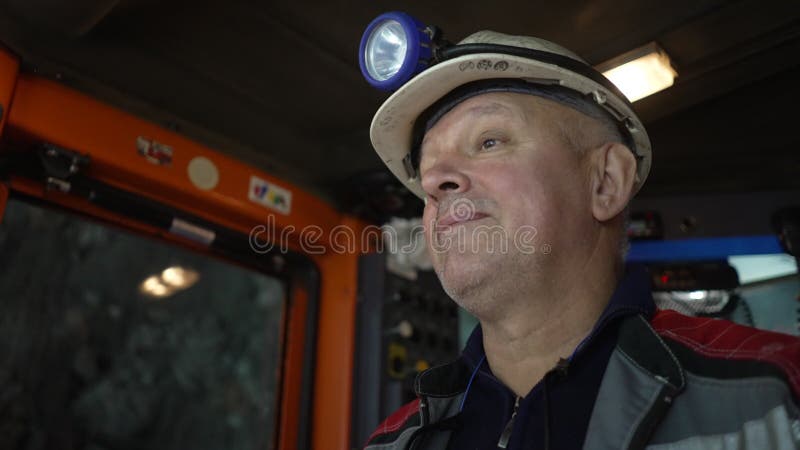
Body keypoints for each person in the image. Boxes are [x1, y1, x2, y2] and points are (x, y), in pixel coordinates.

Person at [361, 27, 800, 450]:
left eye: (489, 141)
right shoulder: (392, 442)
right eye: (428, 170)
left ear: (605, 182)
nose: (436, 180)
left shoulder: (777, 393)